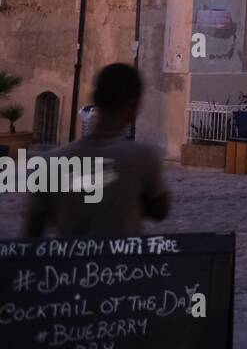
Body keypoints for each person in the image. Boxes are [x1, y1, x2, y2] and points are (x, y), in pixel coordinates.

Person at [25, 63, 169, 238]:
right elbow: (161, 211)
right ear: (134, 105)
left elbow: (30, 237)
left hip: (70, 264)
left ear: (94, 98)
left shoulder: (48, 164)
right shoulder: (142, 158)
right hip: (121, 264)